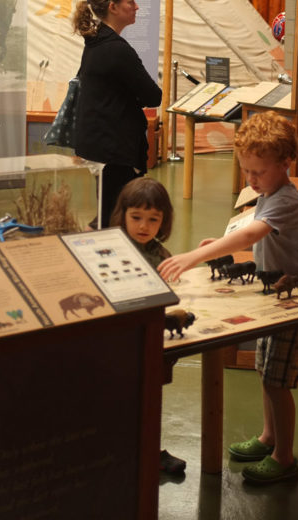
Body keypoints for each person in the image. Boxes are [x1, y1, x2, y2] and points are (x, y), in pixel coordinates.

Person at [157, 111, 298, 485]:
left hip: (297, 302)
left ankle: (284, 456)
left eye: (258, 172)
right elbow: (256, 236)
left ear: (284, 163)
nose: (251, 179)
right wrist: (222, 246)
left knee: (277, 382)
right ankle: (268, 437)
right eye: (246, 171)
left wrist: (197, 256)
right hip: (271, 299)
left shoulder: (286, 200)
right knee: (265, 371)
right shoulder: (269, 193)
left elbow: (250, 237)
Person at [109, 176, 186, 476]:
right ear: (123, 215)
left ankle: (148, 447)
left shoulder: (162, 255)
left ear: (163, 221)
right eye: (136, 217)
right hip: (119, 341)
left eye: (153, 219)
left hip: (152, 339)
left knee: (150, 397)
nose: (143, 226)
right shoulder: (111, 248)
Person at [72, 0, 162, 226]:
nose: (137, 7)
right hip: (114, 148)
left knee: (110, 209)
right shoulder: (116, 49)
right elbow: (153, 96)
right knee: (114, 216)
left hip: (101, 145)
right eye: (130, 2)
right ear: (113, 7)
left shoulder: (95, 42)